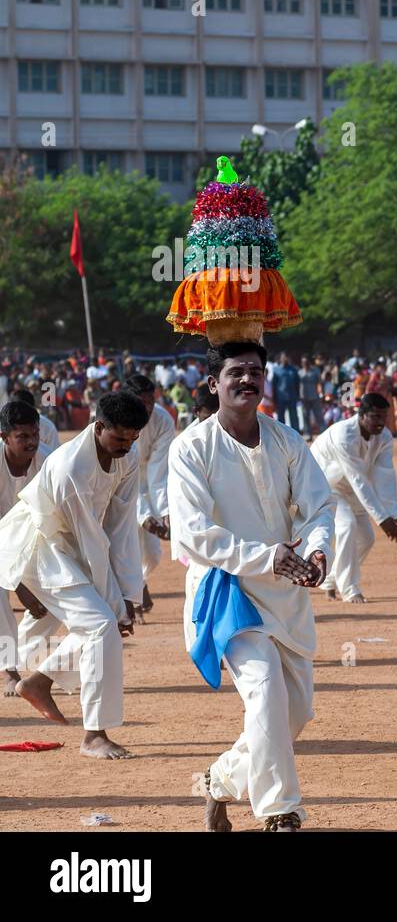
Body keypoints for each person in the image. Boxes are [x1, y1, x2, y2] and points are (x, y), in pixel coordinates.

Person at [170, 341, 335, 832]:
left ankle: (218, 781)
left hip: (286, 594)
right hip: (228, 593)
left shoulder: (286, 440)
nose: (247, 380)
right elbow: (193, 533)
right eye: (236, 372)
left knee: (295, 713)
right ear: (213, 383)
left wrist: (319, 549)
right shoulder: (191, 448)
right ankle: (280, 812)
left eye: (255, 372)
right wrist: (268, 557)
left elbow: (319, 505)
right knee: (264, 692)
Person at [0, 391, 149, 759]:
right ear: (99, 428)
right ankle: (93, 736)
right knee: (102, 625)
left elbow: (121, 526)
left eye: (133, 438)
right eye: (119, 438)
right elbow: (94, 543)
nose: (127, 446)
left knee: (101, 624)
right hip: (37, 547)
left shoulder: (127, 459)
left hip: (70, 546)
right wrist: (117, 604)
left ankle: (37, 682)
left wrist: (129, 592)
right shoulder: (72, 470)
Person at [311, 393, 397, 606]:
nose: (381, 423)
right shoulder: (343, 434)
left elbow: (385, 475)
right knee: (347, 526)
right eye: (375, 417)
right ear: (361, 415)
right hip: (326, 487)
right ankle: (350, 589)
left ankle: (330, 578)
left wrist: (394, 514)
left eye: (384, 417)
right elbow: (357, 478)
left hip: (353, 489)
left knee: (366, 538)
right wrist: (382, 519)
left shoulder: (385, 437)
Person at [0, 401, 51, 696]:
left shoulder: (47, 463)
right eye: (22, 437)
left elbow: (48, 517)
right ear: (4, 437)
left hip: (31, 538)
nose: (32, 442)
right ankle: (10, 671)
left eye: (35, 435)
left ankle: (41, 666)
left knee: (56, 595)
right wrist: (18, 583)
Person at [124, 374, 174, 617]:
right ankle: (131, 593)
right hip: (119, 485)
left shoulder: (163, 420)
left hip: (149, 480)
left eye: (151, 402)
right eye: (142, 402)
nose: (148, 408)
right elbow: (124, 472)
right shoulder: (118, 417)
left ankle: (140, 581)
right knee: (126, 547)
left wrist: (164, 513)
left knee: (153, 555)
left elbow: (158, 470)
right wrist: (144, 515)